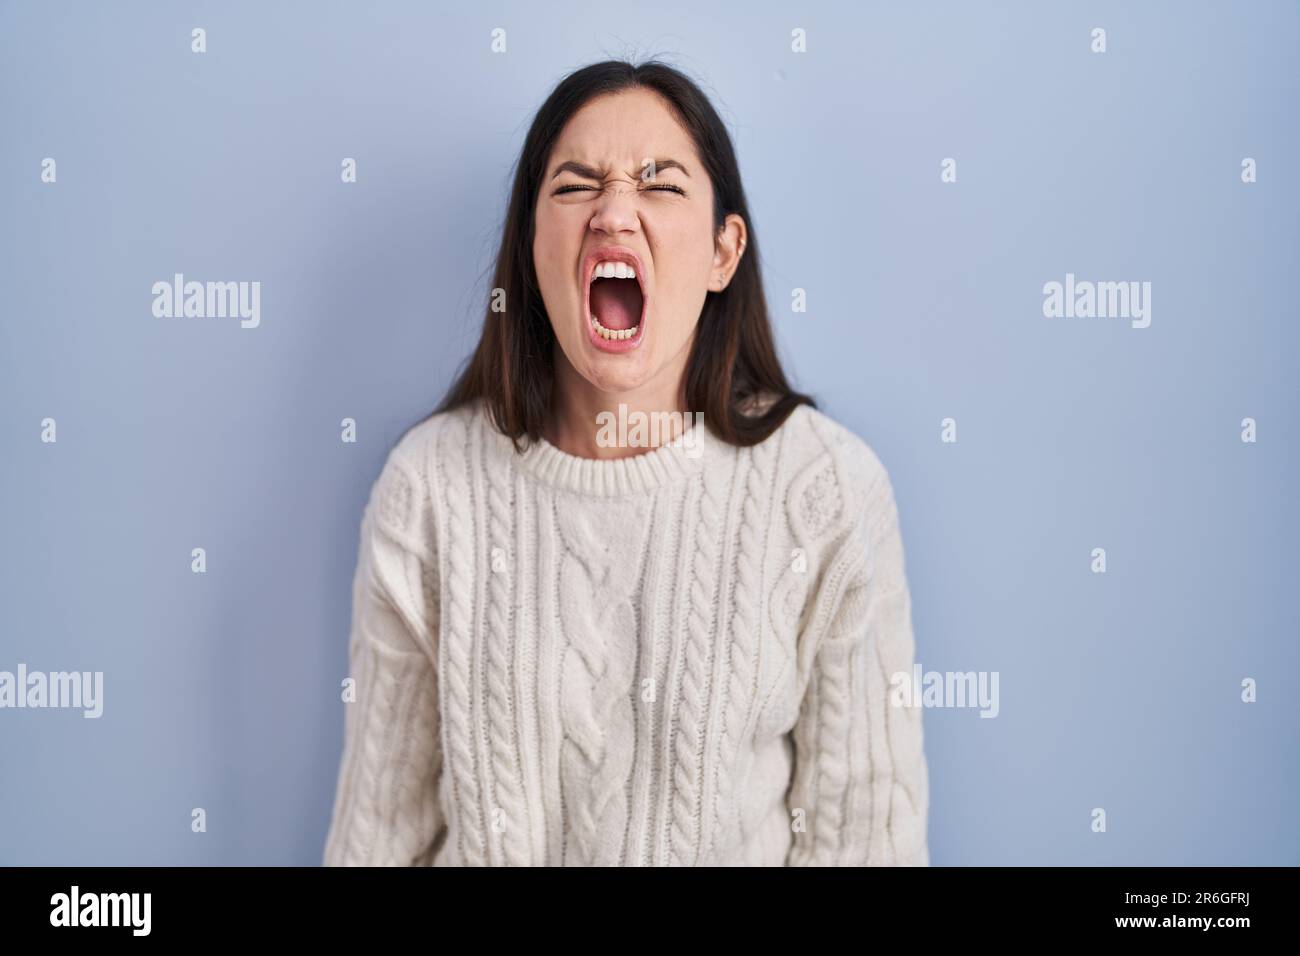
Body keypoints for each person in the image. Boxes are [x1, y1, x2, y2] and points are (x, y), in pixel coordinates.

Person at [322, 59, 929, 866]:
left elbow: (866, 839)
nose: (613, 213)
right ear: (533, 251)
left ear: (724, 252)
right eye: (576, 187)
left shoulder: (827, 493)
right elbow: (377, 839)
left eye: (660, 185)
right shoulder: (429, 491)